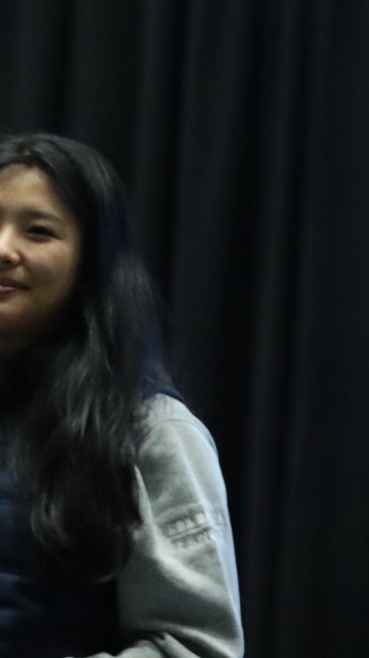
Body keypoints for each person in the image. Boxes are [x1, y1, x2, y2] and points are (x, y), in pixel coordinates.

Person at [0, 132, 243, 658]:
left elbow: (195, 647)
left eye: (38, 231)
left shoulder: (153, 431)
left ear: (90, 267)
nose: (3, 249)